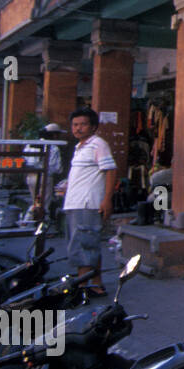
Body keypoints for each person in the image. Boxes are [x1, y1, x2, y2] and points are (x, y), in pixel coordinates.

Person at [64, 108, 117, 295]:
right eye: (75, 125)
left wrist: (107, 200)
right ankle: (96, 284)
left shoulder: (98, 144)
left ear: (93, 127)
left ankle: (83, 286)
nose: (78, 128)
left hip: (87, 203)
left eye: (83, 124)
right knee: (88, 244)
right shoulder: (79, 147)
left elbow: (111, 170)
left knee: (83, 244)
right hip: (74, 203)